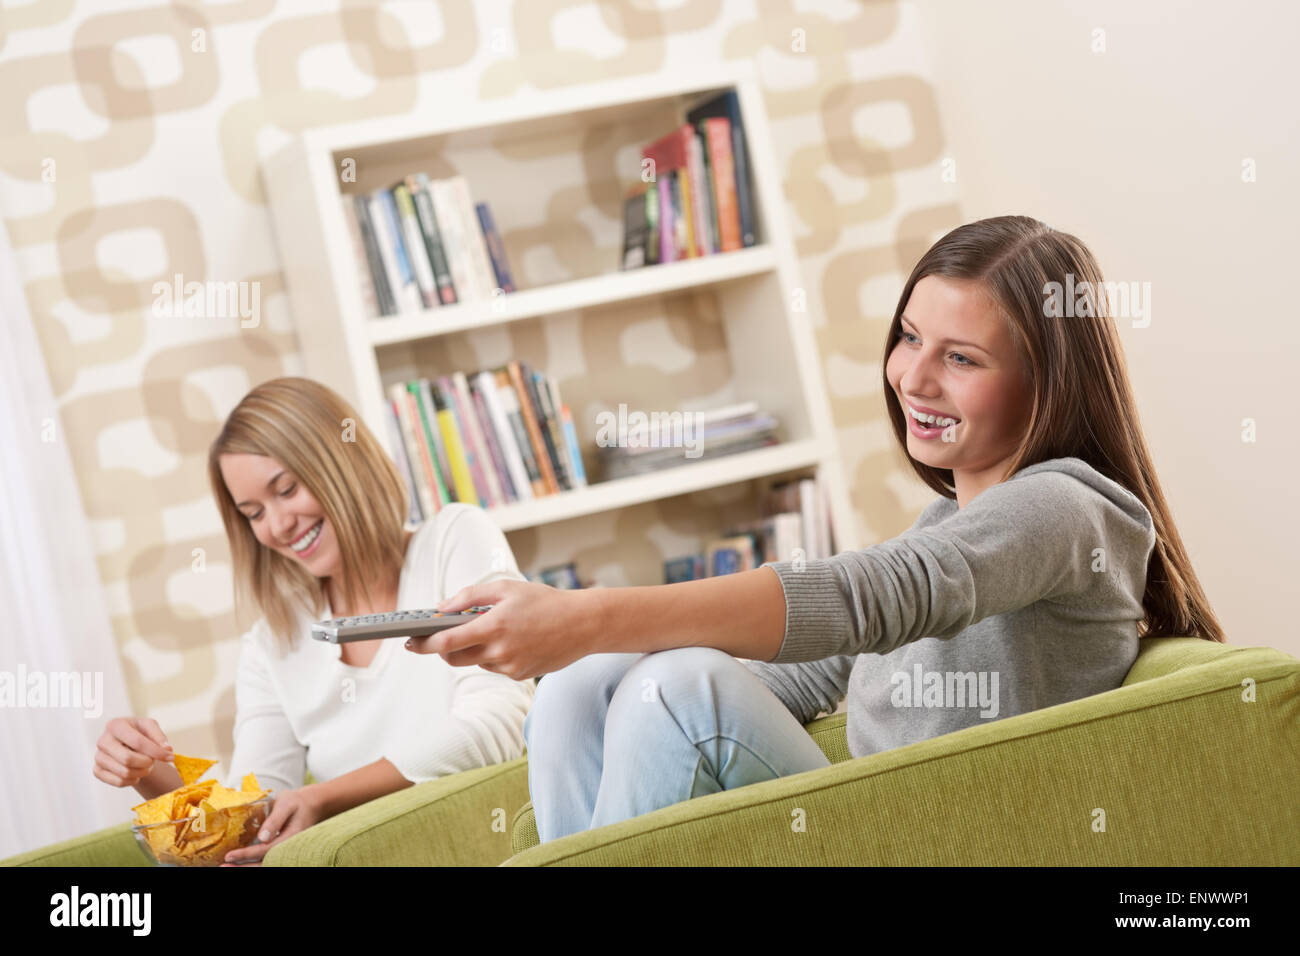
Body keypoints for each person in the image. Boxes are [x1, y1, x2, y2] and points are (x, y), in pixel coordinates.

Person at [405, 215, 1226, 844]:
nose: (914, 376)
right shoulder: (948, 521)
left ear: (1046, 381)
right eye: (909, 337)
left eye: (962, 358)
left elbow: (876, 596)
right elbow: (805, 677)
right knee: (589, 679)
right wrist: (584, 646)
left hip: (944, 839)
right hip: (878, 819)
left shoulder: (1067, 508)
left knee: (677, 687)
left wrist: (586, 616)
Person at [93, 377, 535, 863]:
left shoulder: (452, 541)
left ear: (339, 461)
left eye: (287, 489)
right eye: (254, 513)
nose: (279, 525)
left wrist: (321, 800)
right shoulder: (273, 644)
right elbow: (256, 820)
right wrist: (148, 772)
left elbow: (500, 725)